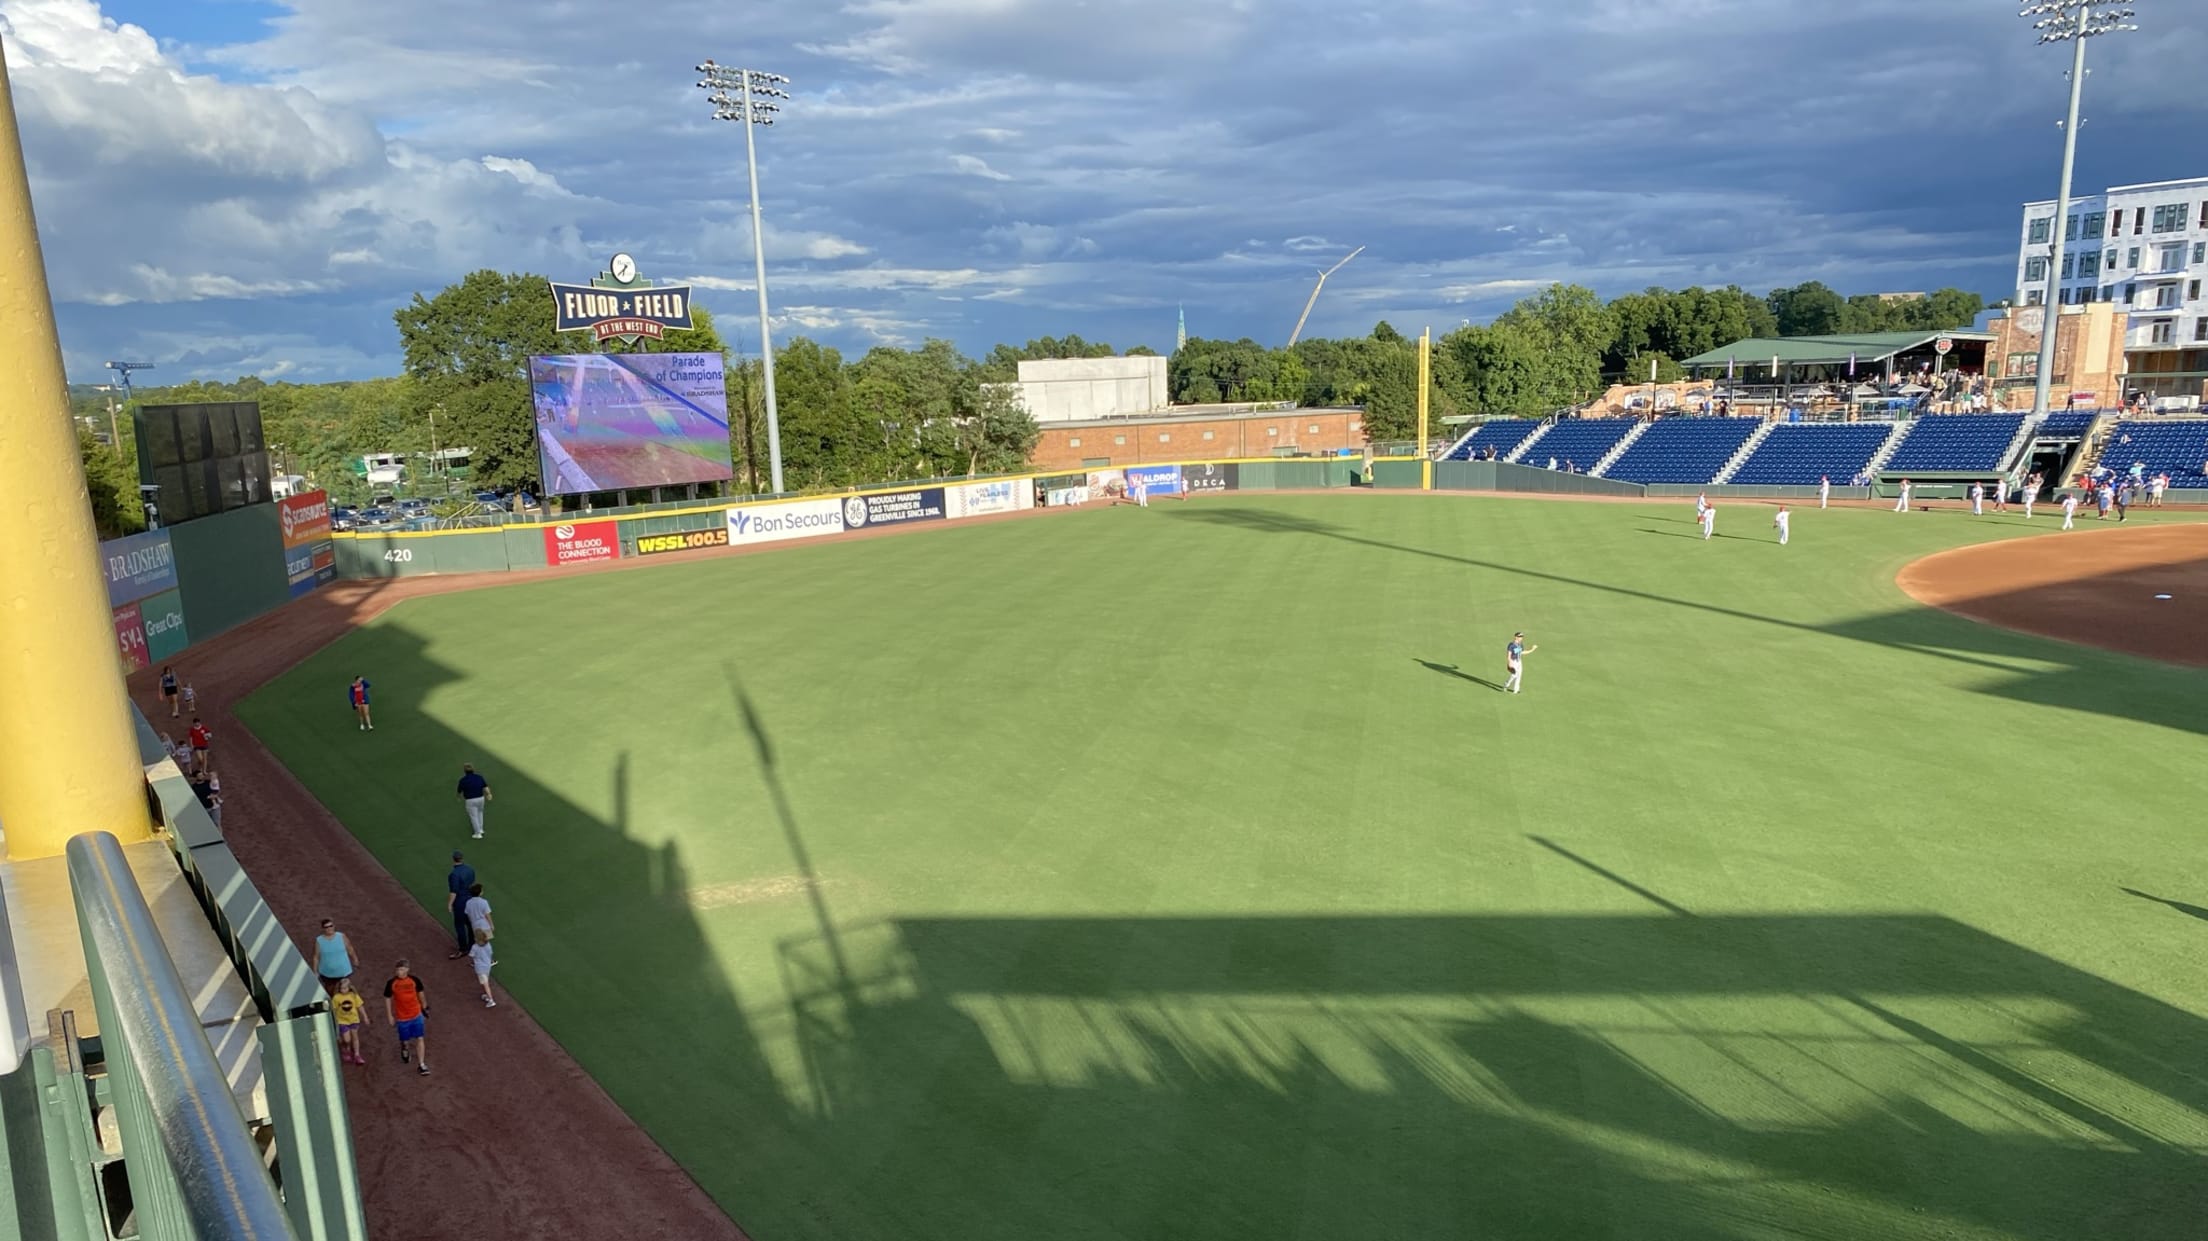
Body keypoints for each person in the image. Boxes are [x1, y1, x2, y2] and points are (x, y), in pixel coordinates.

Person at [383, 960, 431, 1075]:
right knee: (405, 1040)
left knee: (420, 1038)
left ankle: (422, 1064)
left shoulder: (414, 980)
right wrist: (389, 1015)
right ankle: (405, 1048)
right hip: (402, 1017)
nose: (399, 972)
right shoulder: (392, 983)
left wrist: (424, 1007)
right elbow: (387, 998)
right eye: (397, 970)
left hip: (416, 1014)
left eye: (401, 969)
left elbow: (421, 993)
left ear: (407, 969)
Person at [446, 851, 478, 959]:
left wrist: (450, 904)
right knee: (470, 924)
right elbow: (473, 884)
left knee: (460, 925)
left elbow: (453, 892)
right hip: (471, 899)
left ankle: (463, 949)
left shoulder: (454, 874)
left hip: (460, 902)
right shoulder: (470, 869)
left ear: (453, 859)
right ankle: (472, 944)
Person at [331, 976, 370, 1065]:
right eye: (341, 988)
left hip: (354, 1020)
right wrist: (334, 1020)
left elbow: (360, 1006)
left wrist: (365, 1016)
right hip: (342, 1021)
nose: (343, 990)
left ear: (349, 988)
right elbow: (334, 1009)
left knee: (355, 1037)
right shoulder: (336, 998)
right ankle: (347, 1049)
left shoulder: (354, 996)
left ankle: (357, 1054)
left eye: (345, 988)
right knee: (347, 1039)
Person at [314, 918, 356, 995]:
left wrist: (355, 960)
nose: (329, 928)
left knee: (345, 991)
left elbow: (350, 948)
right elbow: (316, 956)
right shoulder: (319, 940)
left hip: (343, 972)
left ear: (334, 926)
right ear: (323, 929)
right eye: (326, 927)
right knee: (330, 993)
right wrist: (315, 971)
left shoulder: (342, 936)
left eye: (331, 926)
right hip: (327, 974)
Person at [456, 764, 491, 839]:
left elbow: (459, 791)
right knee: (480, 813)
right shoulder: (479, 777)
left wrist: (459, 797)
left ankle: (477, 833)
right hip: (481, 798)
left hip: (470, 800)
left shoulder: (463, 780)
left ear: (464, 771)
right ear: (473, 770)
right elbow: (485, 787)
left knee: (473, 817)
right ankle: (481, 829)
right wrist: (488, 794)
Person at [470, 929, 497, 1008]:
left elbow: (471, 956)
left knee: (485, 984)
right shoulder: (488, 944)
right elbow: (490, 954)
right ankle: (487, 995)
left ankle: (491, 1000)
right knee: (486, 982)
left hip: (480, 968)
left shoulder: (475, 947)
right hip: (487, 966)